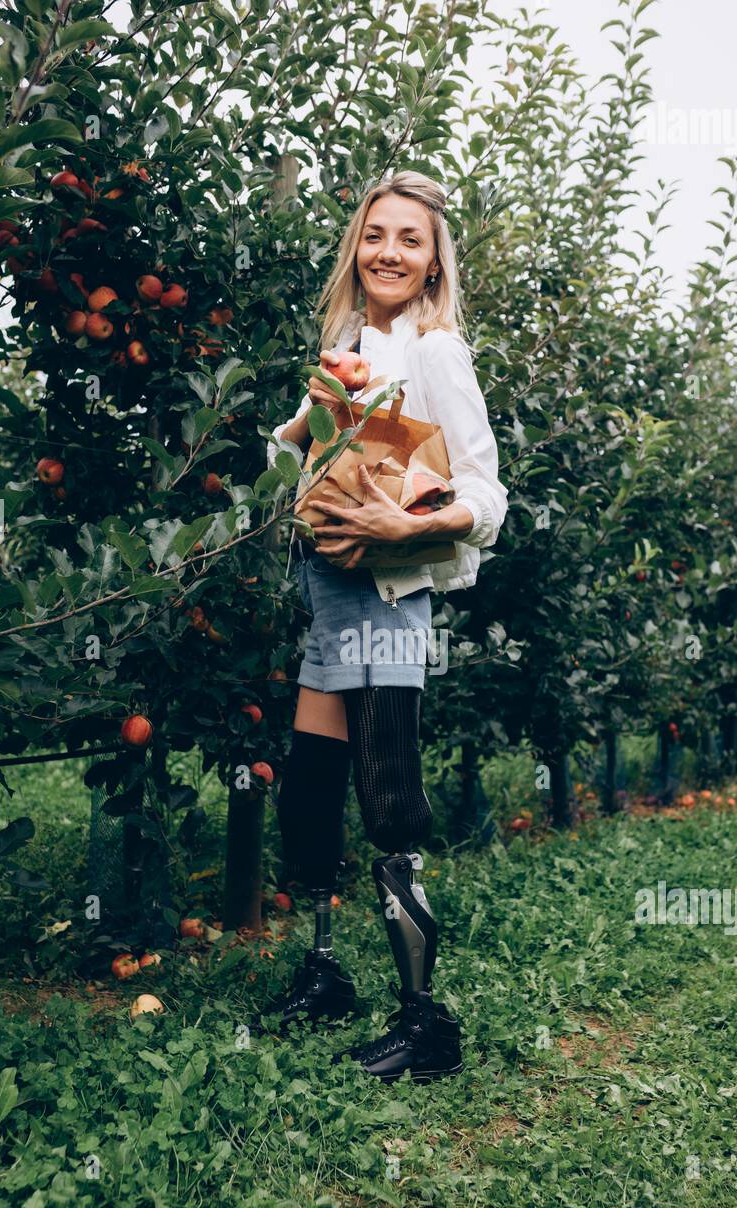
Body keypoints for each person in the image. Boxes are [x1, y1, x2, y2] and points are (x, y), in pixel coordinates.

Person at [268, 170, 508, 1080]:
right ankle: (327, 974)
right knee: (312, 793)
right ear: (356, 249)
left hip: (388, 598)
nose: (390, 253)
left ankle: (426, 1025)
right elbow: (296, 451)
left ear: (435, 262)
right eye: (376, 236)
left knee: (388, 797)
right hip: (330, 596)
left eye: (410, 240)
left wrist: (408, 524)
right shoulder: (347, 346)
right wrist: (288, 439)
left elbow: (487, 495)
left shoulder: (438, 352)